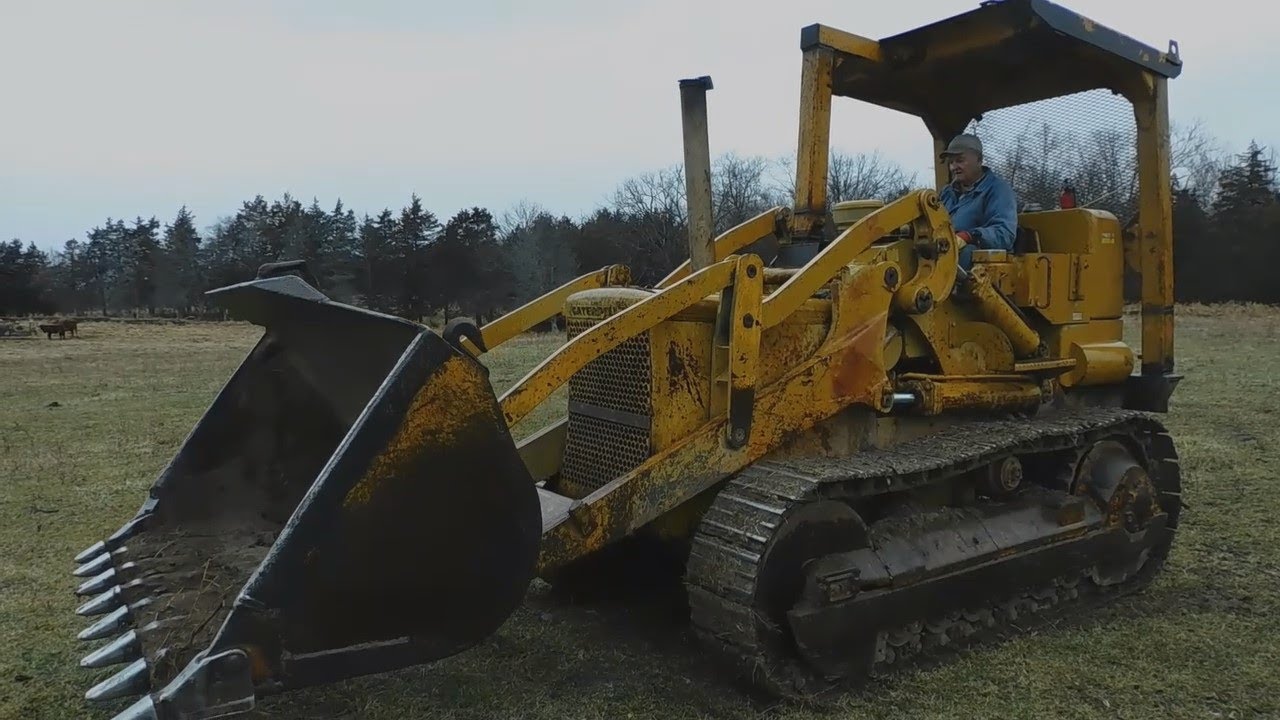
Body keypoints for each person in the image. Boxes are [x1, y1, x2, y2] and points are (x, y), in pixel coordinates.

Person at [938, 133, 1018, 271]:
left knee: (967, 251)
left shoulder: (998, 189)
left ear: (979, 160)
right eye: (951, 162)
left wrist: (969, 236)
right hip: (945, 260)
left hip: (979, 272)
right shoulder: (946, 193)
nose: (953, 167)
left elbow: (1004, 234)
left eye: (960, 160)